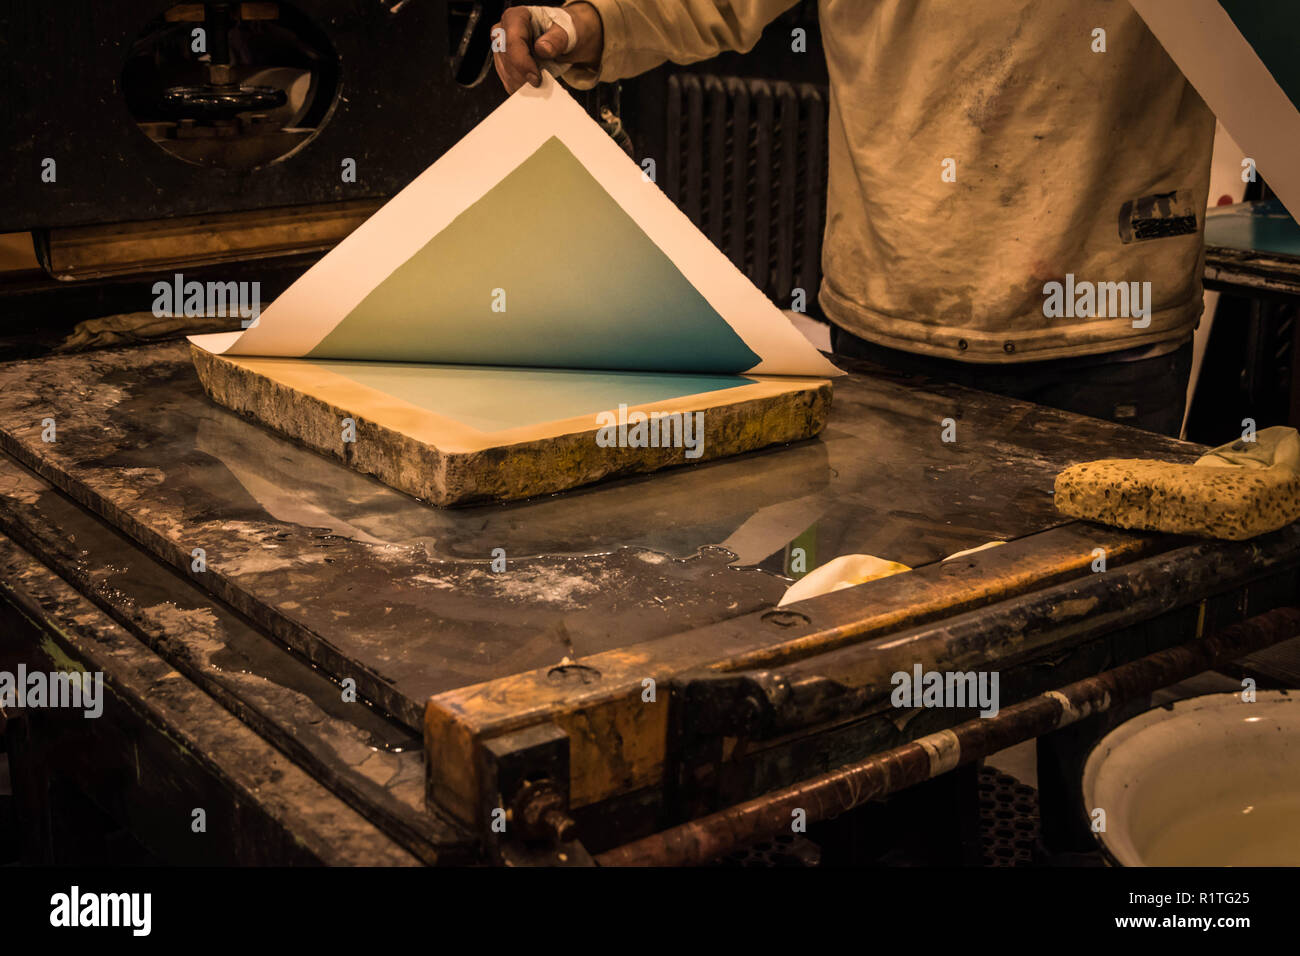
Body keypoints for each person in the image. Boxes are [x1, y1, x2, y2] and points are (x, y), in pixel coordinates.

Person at [493, 1, 1216, 437]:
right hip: (896, 318)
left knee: (1102, 623)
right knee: (890, 614)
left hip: (1109, 325)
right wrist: (580, 24)